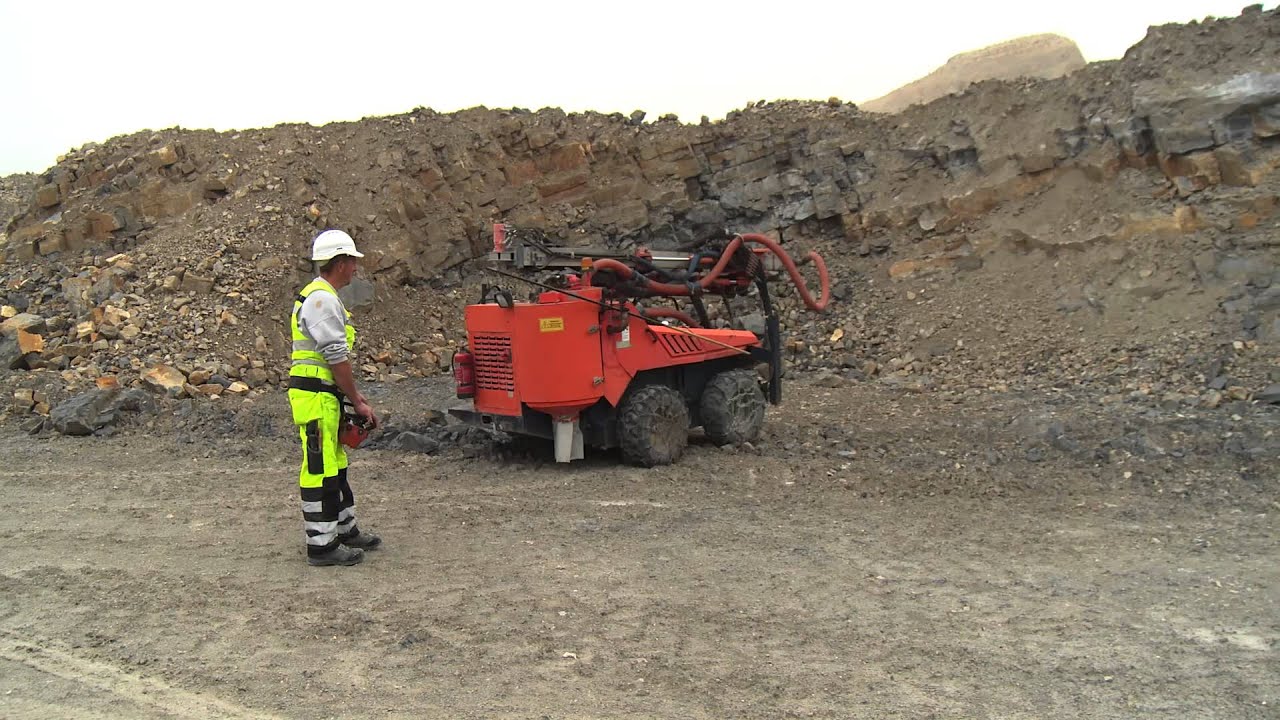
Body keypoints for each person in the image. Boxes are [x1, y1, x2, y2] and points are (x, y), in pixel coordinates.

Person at [287, 228, 382, 566]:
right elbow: (336, 356)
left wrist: (348, 396)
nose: (356, 269)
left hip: (322, 396)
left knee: (335, 465)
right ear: (340, 263)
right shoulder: (322, 300)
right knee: (319, 469)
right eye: (352, 262)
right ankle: (322, 546)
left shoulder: (321, 296)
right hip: (316, 398)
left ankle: (345, 529)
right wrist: (356, 400)